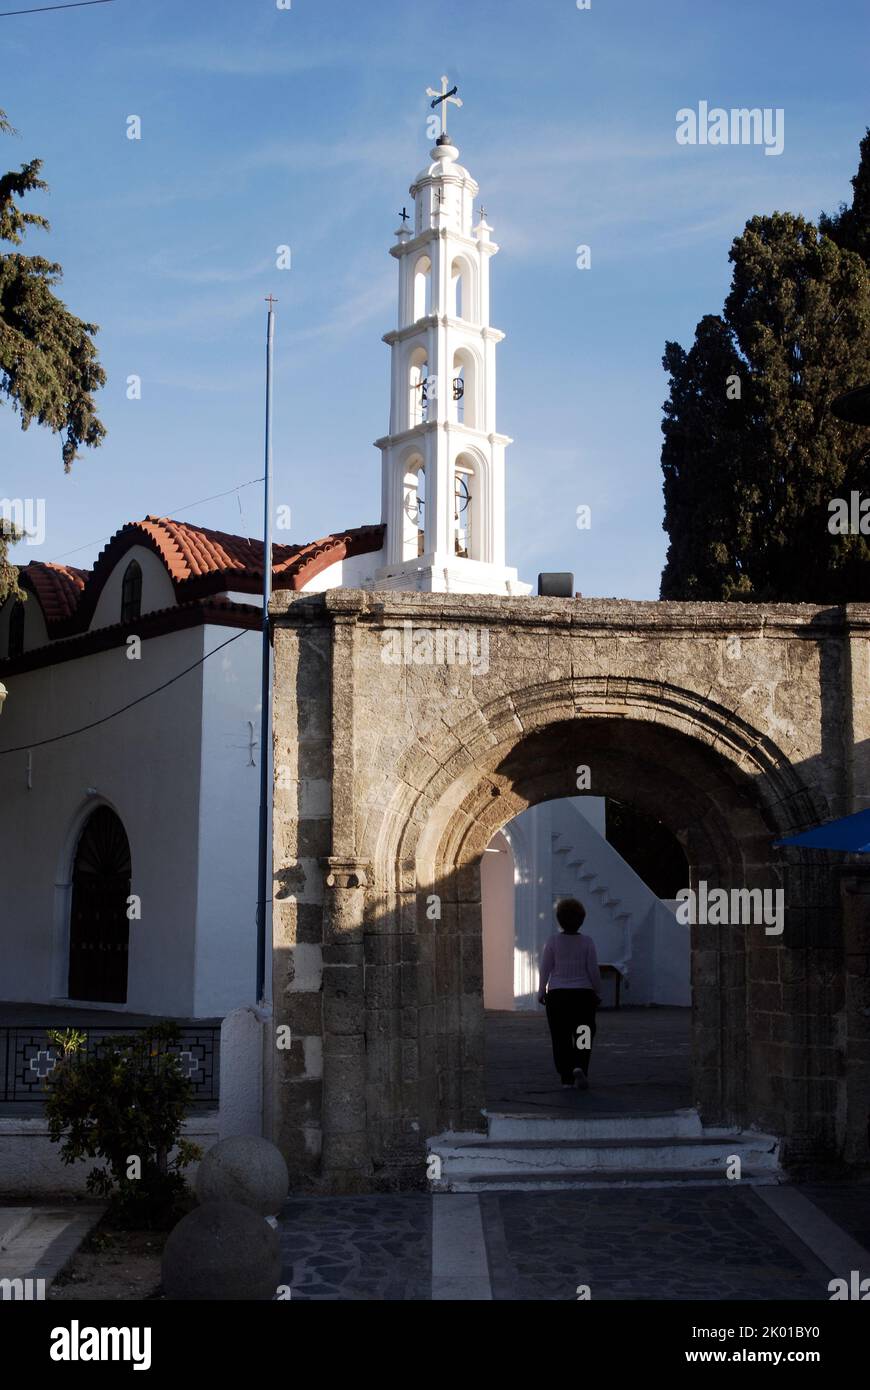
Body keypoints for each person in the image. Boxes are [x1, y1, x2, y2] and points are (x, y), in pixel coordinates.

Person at [537, 897, 602, 1090]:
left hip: (558, 996)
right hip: (583, 996)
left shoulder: (553, 941)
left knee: (560, 1037)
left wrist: (542, 991)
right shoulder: (587, 942)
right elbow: (593, 970)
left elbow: (545, 968)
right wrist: (597, 991)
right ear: (581, 919)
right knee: (584, 1033)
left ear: (559, 919)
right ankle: (580, 1066)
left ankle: (566, 1077)